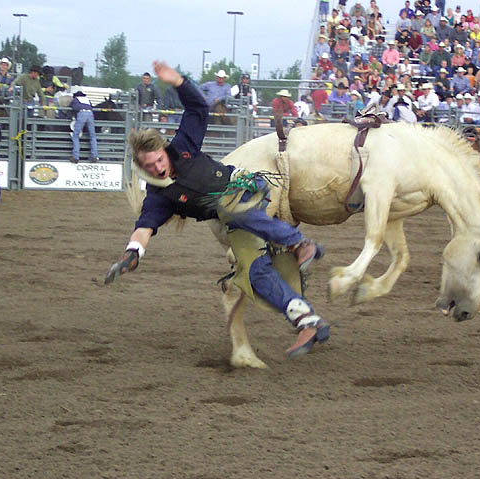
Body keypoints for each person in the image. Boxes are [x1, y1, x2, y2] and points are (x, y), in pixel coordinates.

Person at [104, 61, 329, 357]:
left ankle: (300, 244)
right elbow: (145, 226)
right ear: (142, 168)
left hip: (246, 187)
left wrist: (178, 81)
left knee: (230, 207)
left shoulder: (183, 145)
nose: (158, 168)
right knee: (255, 275)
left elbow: (198, 108)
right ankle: (308, 322)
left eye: (159, 159)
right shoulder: (159, 197)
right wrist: (132, 254)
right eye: (150, 166)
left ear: (163, 150)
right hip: (233, 218)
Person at [69, 91, 99, 164]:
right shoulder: (87, 100)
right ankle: (94, 156)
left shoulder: (75, 100)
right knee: (92, 136)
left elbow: (73, 108)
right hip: (90, 114)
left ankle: (76, 157)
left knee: (76, 136)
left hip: (81, 114)